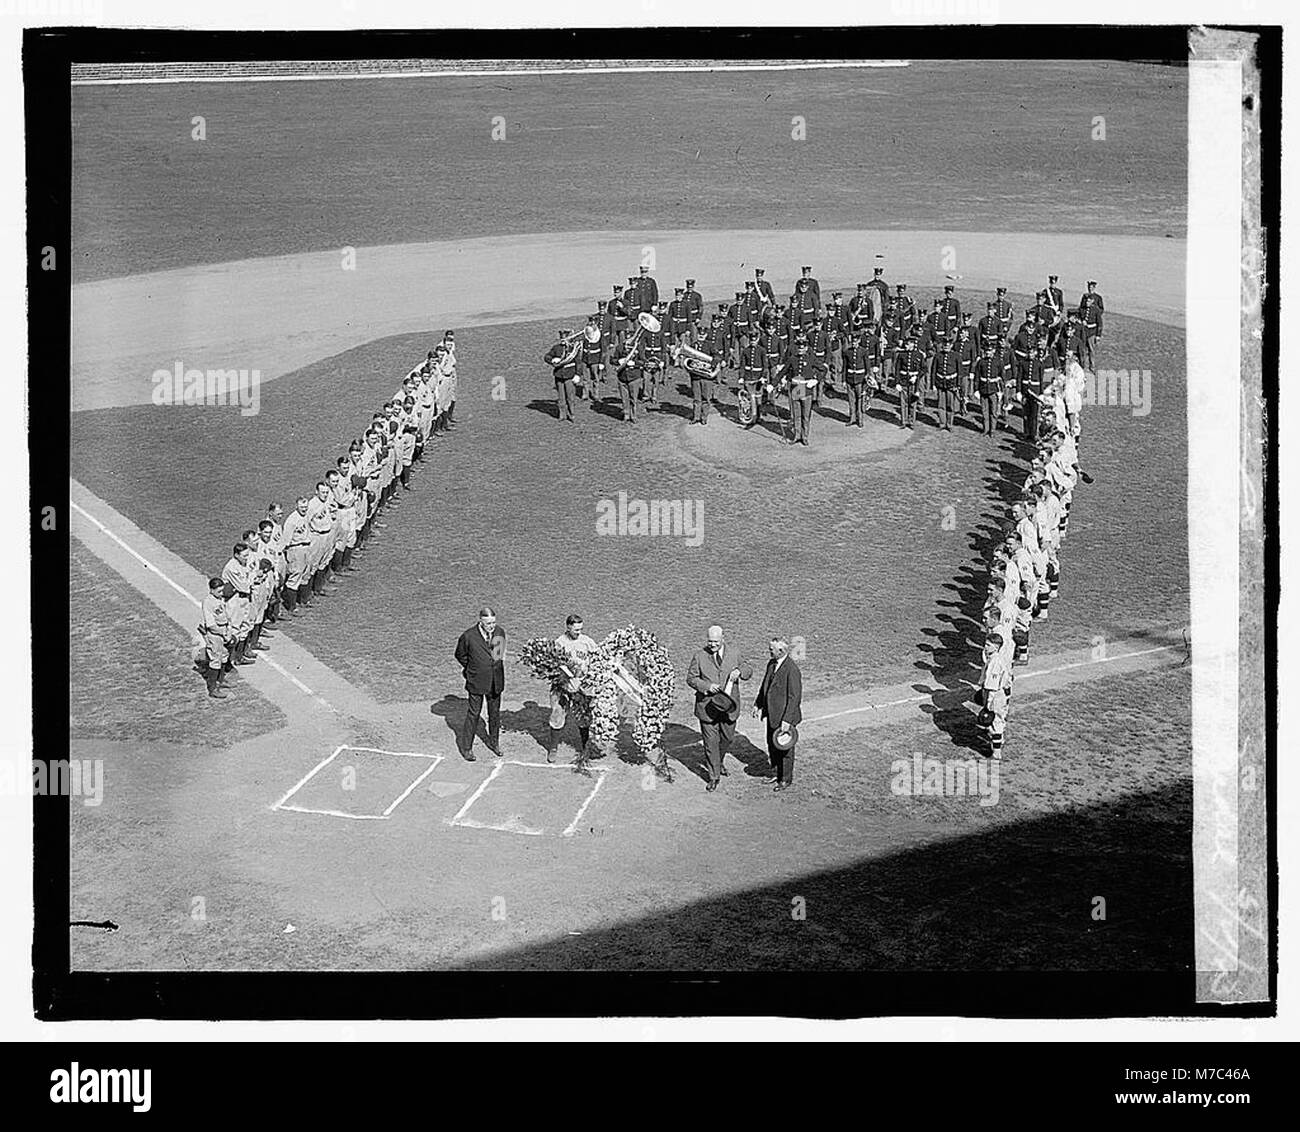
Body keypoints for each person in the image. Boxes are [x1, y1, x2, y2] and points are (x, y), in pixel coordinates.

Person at [686, 625, 753, 792]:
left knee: (727, 738)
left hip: (729, 708)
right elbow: (691, 679)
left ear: (723, 639)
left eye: (715, 641)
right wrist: (706, 686)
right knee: (710, 743)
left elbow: (748, 669)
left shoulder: (735, 653)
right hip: (707, 709)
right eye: (709, 641)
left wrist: (739, 671)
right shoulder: (699, 656)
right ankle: (714, 776)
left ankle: (719, 761)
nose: (712, 644)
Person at [453, 607, 506, 761]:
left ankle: (494, 743)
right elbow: (460, 655)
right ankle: (467, 748)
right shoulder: (468, 636)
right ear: (481, 621)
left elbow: (497, 656)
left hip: (495, 680)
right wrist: (472, 668)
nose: (492, 626)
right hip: (476, 680)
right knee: (474, 714)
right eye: (488, 623)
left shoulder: (499, 632)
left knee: (494, 714)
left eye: (494, 622)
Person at [753, 637, 803, 792]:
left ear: (781, 651)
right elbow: (765, 685)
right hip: (772, 714)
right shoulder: (772, 664)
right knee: (772, 744)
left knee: (785, 748)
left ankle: (785, 779)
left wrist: (787, 720)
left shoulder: (792, 669)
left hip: (784, 718)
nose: (769, 651)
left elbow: (794, 697)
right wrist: (758, 704)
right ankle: (775, 772)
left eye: (771, 649)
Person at [546, 614, 598, 763]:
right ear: (568, 627)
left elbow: (597, 662)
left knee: (584, 718)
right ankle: (553, 748)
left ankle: (585, 747)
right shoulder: (559, 644)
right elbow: (553, 669)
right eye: (576, 630)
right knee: (557, 716)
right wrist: (565, 681)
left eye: (580, 629)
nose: (579, 632)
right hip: (562, 687)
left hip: (582, 688)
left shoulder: (588, 642)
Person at [198, 577, 233, 699]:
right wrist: (224, 634)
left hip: (223, 631)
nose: (221, 593)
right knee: (216, 658)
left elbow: (226, 617)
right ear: (211, 590)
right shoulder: (208, 602)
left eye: (222, 590)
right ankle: (212, 688)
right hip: (215, 634)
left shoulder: (220, 599)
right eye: (219, 591)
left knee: (224, 655)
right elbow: (211, 625)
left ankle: (220, 680)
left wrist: (228, 631)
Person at [544, 329, 580, 422]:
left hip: (570, 376)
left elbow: (578, 363)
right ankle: (562, 415)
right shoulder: (556, 348)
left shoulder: (574, 349)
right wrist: (552, 360)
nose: (563, 340)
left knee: (570, 397)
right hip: (559, 376)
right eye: (562, 339)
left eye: (565, 338)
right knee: (561, 397)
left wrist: (578, 374)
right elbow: (547, 357)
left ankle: (572, 414)